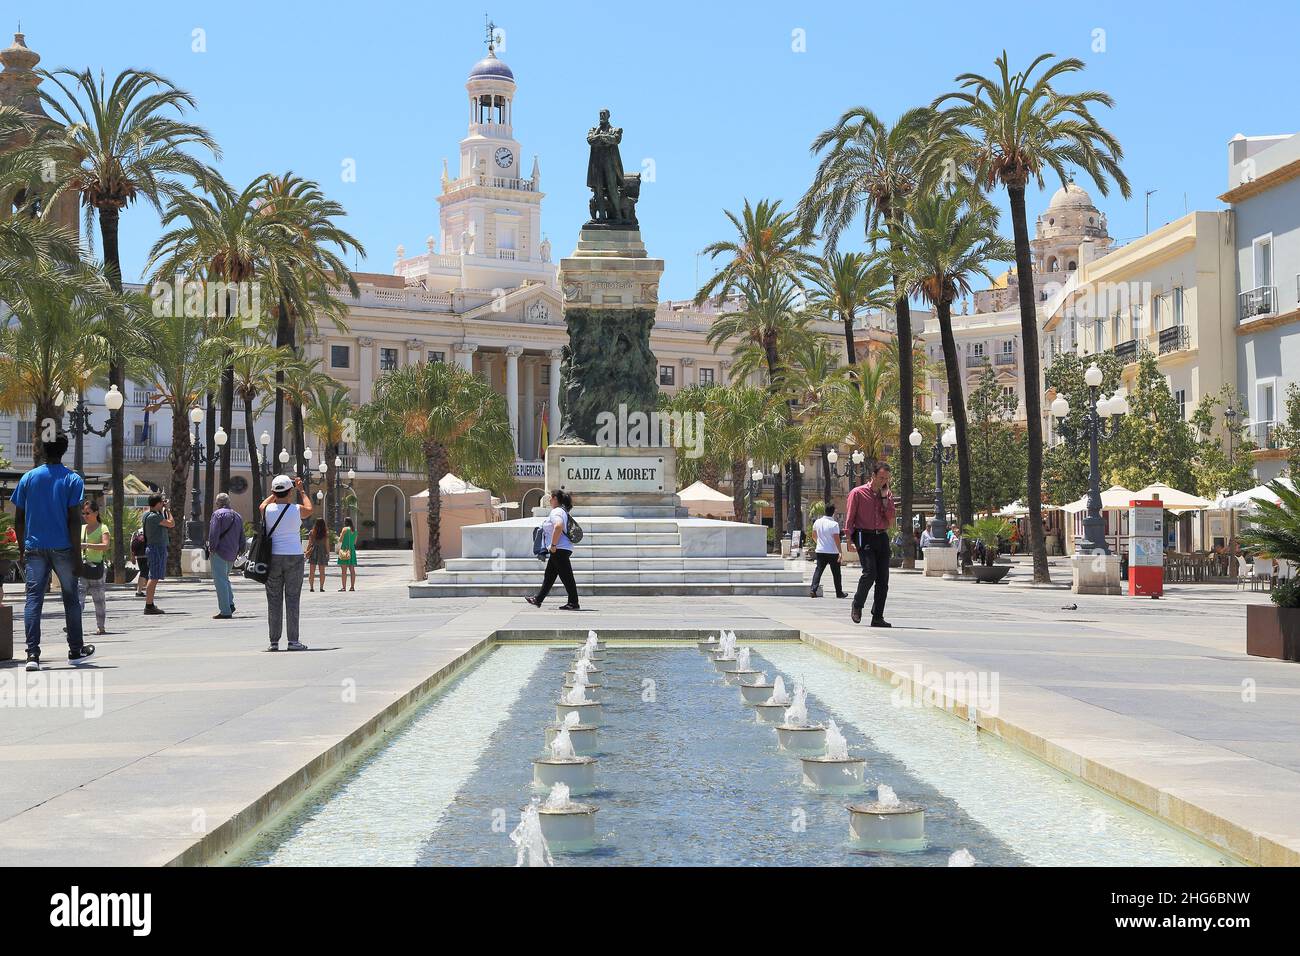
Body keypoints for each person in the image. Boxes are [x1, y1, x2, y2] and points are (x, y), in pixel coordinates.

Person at [11, 433, 94, 670]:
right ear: (64, 451)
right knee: (70, 599)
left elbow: (19, 518)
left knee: (33, 601)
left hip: (34, 548)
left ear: (43, 451)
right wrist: (78, 558)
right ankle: (76, 650)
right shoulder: (73, 479)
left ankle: (32, 655)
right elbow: (74, 521)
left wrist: (21, 549)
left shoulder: (28, 478)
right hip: (63, 548)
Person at [260, 474, 312, 651]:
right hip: (294, 556)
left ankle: (274, 642)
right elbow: (309, 508)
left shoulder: (267, 510)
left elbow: (262, 505)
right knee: (292, 599)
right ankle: (293, 641)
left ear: (274, 492)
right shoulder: (297, 509)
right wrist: (301, 490)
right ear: (290, 492)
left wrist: (276, 493)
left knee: (273, 600)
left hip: (272, 557)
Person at [844, 462, 896, 627]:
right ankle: (857, 605)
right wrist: (848, 539)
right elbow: (850, 518)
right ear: (872, 476)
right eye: (881, 477)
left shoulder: (887, 495)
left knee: (883, 578)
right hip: (863, 536)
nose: (884, 481)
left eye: (886, 478)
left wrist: (884, 500)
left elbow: (891, 519)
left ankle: (877, 616)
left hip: (881, 536)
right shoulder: (857, 493)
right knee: (869, 573)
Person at [525, 490, 579, 610]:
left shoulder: (556, 511)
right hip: (561, 549)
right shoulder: (562, 511)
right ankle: (538, 599)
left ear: (555, 498)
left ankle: (574, 602)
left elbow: (558, 526)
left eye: (550, 497)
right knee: (549, 575)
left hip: (559, 549)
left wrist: (553, 545)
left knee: (567, 577)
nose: (549, 500)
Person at [207, 492, 243, 620]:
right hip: (233, 552)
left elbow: (214, 532)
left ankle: (225, 610)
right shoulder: (237, 515)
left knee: (220, 581)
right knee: (225, 578)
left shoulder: (217, 514)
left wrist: (211, 548)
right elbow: (241, 534)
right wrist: (241, 549)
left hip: (220, 551)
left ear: (218, 503)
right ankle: (230, 603)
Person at [79, 499, 110, 635]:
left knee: (99, 600)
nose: (85, 516)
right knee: (78, 600)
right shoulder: (81, 528)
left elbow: (105, 545)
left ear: (96, 513)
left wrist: (87, 545)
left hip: (96, 568)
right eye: (83, 513)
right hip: (81, 568)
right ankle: (75, 625)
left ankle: (101, 626)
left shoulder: (103, 528)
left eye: (88, 513)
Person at [141, 493, 174, 615]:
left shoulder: (148, 515)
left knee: (154, 576)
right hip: (156, 548)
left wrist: (162, 510)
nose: (163, 505)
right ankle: (148, 605)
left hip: (155, 547)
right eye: (161, 503)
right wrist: (168, 511)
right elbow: (171, 523)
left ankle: (150, 604)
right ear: (158, 503)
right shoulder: (154, 517)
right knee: (154, 577)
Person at [810, 503, 848, 599]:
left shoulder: (817, 522)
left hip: (820, 550)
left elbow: (813, 535)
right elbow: (836, 539)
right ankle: (839, 593)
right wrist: (840, 552)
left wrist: (818, 543)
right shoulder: (834, 524)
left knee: (818, 571)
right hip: (832, 552)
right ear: (833, 512)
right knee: (836, 573)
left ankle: (813, 590)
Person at [306, 517, 330, 592]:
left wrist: (306, 552)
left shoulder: (312, 532)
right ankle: (321, 587)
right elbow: (327, 545)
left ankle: (311, 587)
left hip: (313, 551)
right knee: (322, 571)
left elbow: (309, 544)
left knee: (312, 571)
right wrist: (328, 554)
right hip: (322, 551)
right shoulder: (325, 533)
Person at [336, 517, 358, 592]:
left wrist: (340, 535)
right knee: (352, 569)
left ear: (345, 522)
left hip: (344, 550)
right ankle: (352, 587)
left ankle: (344, 587)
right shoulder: (355, 530)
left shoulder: (345, 529)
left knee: (344, 571)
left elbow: (340, 540)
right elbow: (355, 542)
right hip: (352, 550)